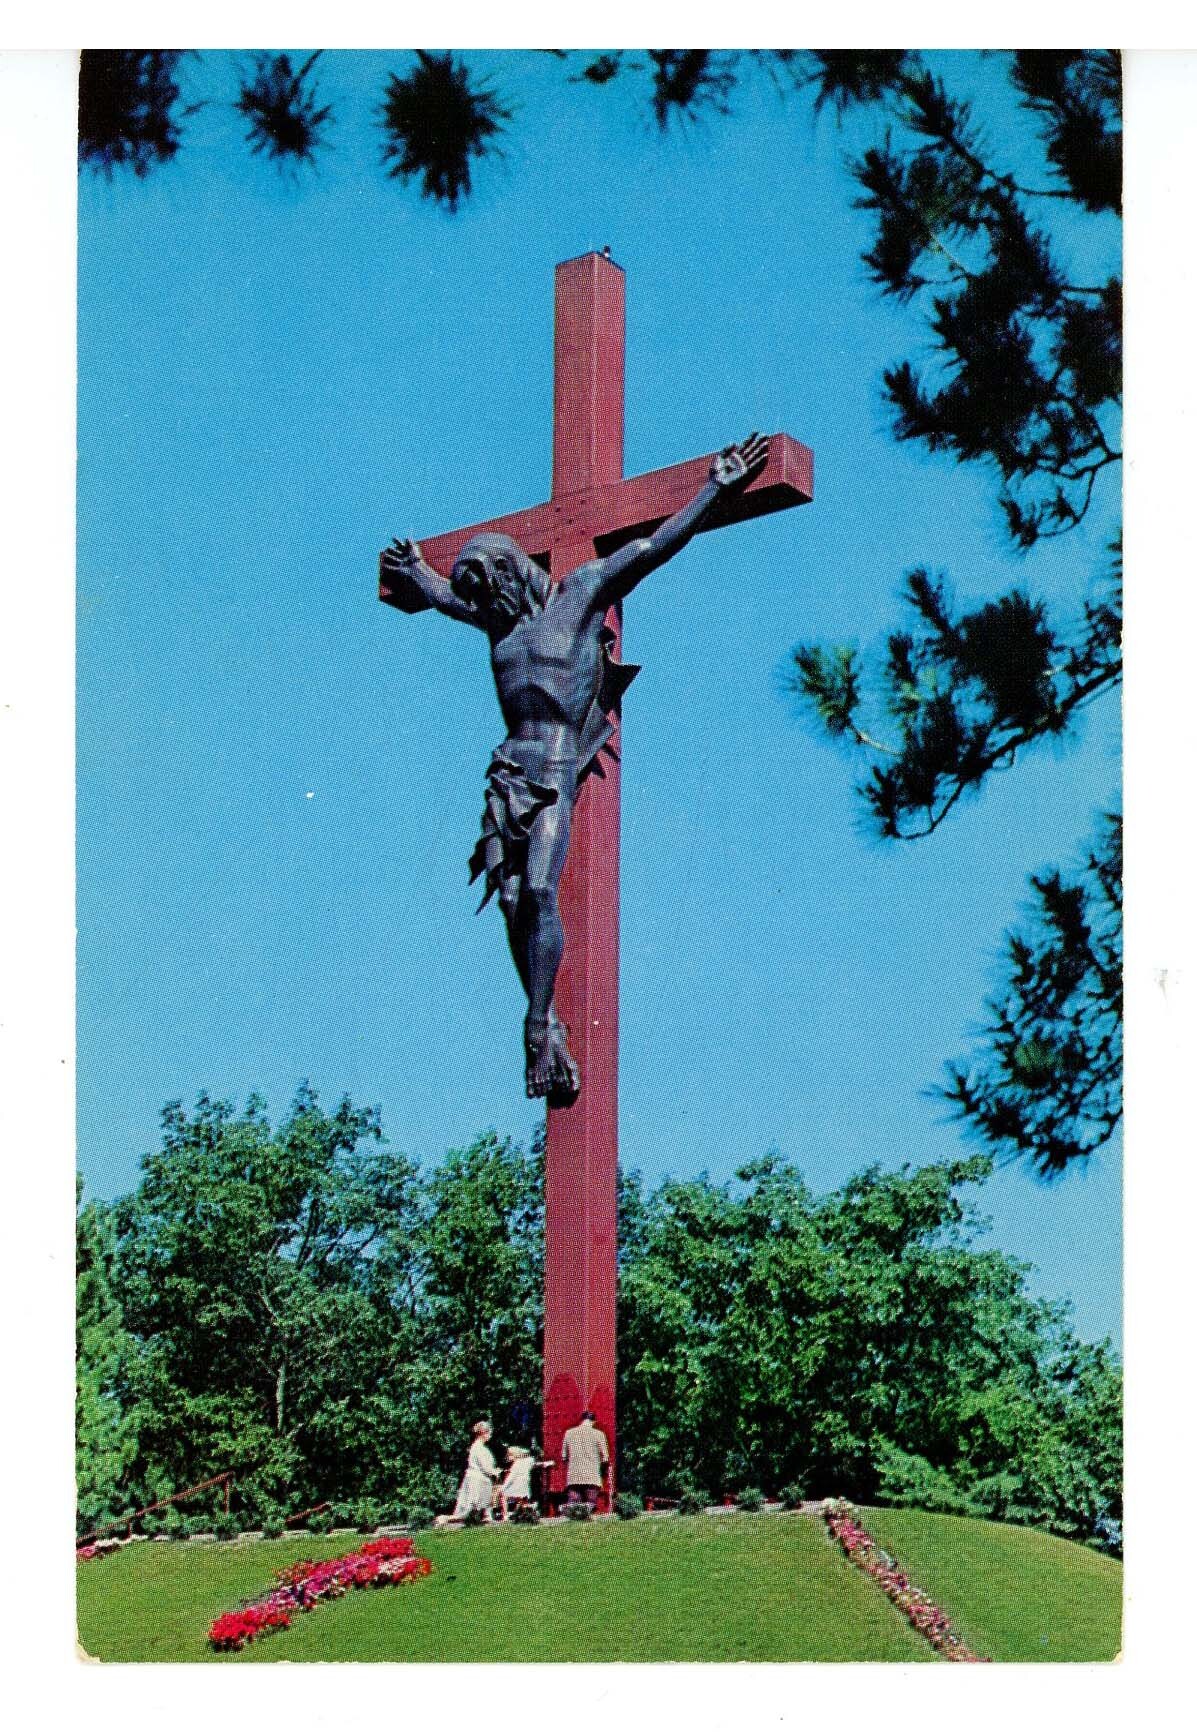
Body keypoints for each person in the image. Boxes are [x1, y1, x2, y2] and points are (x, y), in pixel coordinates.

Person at [382, 433, 770, 1103]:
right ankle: (543, 1018)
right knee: (510, 898)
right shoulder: (495, 620)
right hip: (510, 770)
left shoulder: (581, 594)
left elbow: (650, 548)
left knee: (538, 888)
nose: (483, 608)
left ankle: (538, 1024)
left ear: (511, 574)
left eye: (489, 592)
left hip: (559, 760)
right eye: (477, 598)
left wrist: (714, 489)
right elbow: (448, 599)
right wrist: (419, 574)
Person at [446, 1420, 501, 1523]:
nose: (490, 1436)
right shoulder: (477, 1447)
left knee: (484, 1506)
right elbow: (485, 1467)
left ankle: (485, 1518)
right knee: (469, 1508)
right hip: (476, 1479)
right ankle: (444, 1519)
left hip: (483, 1479)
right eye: (489, 1433)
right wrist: (494, 1472)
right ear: (483, 1433)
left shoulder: (482, 1448)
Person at [561, 1410, 610, 1509]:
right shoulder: (599, 1434)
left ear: (582, 1420)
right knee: (590, 1506)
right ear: (594, 1421)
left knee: (573, 1508)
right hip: (592, 1476)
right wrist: (603, 1473)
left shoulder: (569, 1433)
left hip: (574, 1476)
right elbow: (605, 1458)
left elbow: (564, 1456)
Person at [497, 1445, 535, 1521]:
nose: (508, 1457)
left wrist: (502, 1487)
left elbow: (510, 1478)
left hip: (517, 1485)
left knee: (503, 1495)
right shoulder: (527, 1461)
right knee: (521, 1500)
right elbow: (531, 1459)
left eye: (509, 1455)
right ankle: (528, 1510)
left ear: (514, 1455)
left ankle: (505, 1515)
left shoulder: (516, 1464)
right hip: (525, 1485)